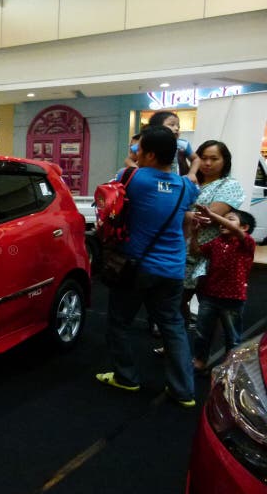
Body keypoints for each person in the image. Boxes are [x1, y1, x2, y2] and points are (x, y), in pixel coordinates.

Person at [96, 125, 199, 407]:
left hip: (135, 266)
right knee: (174, 327)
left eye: (140, 149)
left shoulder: (131, 177)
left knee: (119, 323)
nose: (136, 153)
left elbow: (115, 192)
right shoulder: (186, 187)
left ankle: (126, 378)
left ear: (151, 154)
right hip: (173, 269)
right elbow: (187, 188)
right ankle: (183, 392)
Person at [181, 140, 245, 330]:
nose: (207, 163)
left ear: (225, 161)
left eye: (214, 159)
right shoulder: (190, 181)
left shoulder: (229, 185)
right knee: (177, 302)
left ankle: (205, 353)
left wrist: (180, 212)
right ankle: (178, 343)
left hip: (211, 255)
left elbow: (206, 217)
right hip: (184, 250)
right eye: (203, 158)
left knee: (210, 307)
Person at [190, 206, 256, 371]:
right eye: (223, 220)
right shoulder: (217, 242)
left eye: (230, 219)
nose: (223, 223)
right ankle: (200, 360)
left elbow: (234, 229)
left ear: (244, 227)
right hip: (210, 295)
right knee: (202, 332)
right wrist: (195, 233)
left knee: (232, 337)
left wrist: (212, 215)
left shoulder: (246, 242)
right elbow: (196, 251)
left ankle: (230, 365)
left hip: (233, 298)